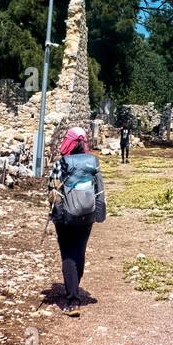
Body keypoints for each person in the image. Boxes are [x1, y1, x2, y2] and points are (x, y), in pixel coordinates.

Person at [49, 126, 106, 316]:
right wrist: (99, 214)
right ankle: (75, 286)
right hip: (87, 215)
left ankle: (72, 298)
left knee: (68, 254)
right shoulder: (93, 162)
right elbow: (99, 190)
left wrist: (56, 215)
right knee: (79, 251)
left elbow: (54, 192)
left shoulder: (62, 163)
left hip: (66, 216)